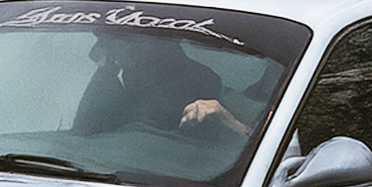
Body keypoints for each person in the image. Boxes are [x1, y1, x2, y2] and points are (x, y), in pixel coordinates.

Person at [73, 32, 250, 136]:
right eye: (105, 44)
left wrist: (225, 119)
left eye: (116, 43)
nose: (100, 53)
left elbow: (247, 139)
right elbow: (81, 136)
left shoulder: (202, 82)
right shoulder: (109, 84)